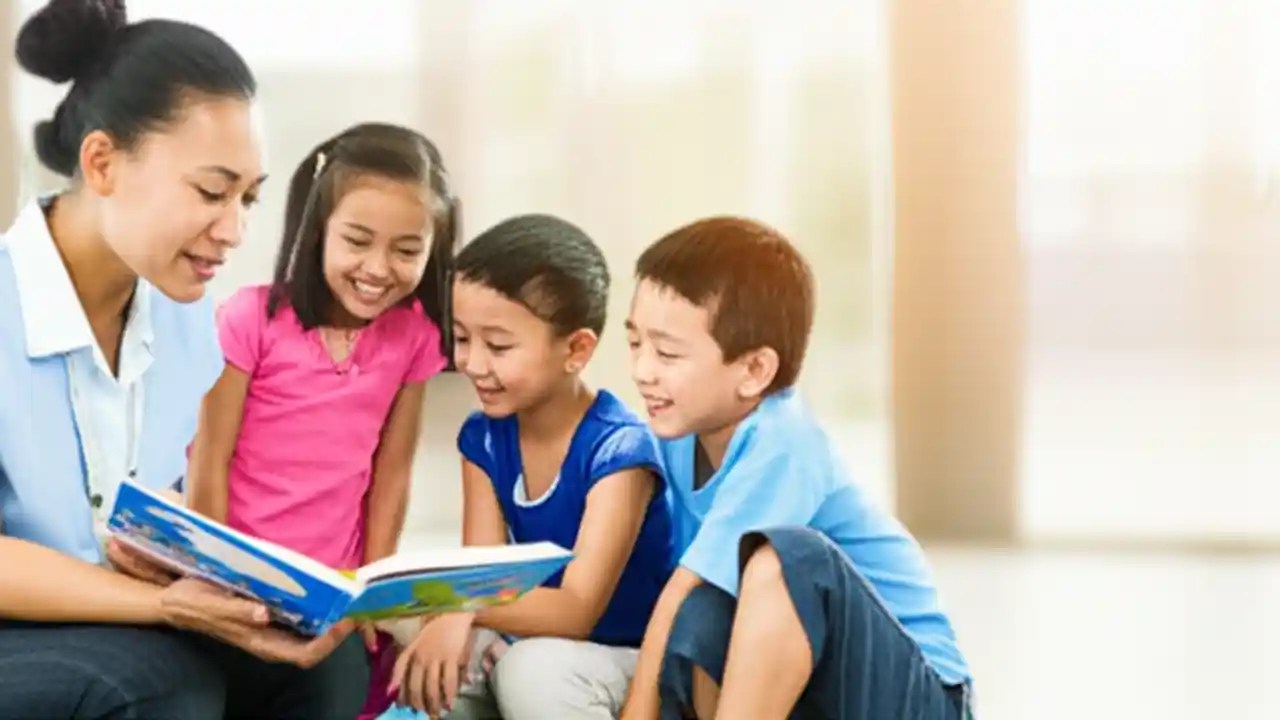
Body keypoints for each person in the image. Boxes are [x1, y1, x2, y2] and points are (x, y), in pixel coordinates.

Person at [0, 1, 350, 718]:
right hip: (21, 623)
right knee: (163, 687)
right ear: (102, 163)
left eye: (248, 198)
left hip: (111, 615)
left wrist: (211, 579)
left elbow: (145, 508)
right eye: (212, 192)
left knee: (325, 663)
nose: (235, 230)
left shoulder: (182, 317)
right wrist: (162, 605)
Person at [619, 217, 973, 719]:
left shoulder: (784, 441)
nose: (642, 371)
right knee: (705, 610)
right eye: (635, 344)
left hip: (918, 700)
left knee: (785, 559)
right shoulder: (675, 436)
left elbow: (685, 585)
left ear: (754, 370)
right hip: (812, 693)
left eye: (668, 353)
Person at [187, 122, 457, 716]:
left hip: (328, 596)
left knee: (334, 694)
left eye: (407, 250)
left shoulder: (415, 335)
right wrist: (212, 576)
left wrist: (370, 588)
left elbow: (392, 472)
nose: (378, 268)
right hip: (236, 584)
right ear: (317, 232)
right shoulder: (251, 318)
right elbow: (210, 455)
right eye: (357, 241)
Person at [390, 215, 674, 719]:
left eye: (499, 346)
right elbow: (482, 574)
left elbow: (577, 610)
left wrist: (463, 606)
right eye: (461, 338)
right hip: (534, 639)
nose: (474, 363)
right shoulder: (484, 438)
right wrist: (454, 613)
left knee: (530, 668)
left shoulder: (619, 451)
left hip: (629, 660)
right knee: (436, 652)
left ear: (576, 349)